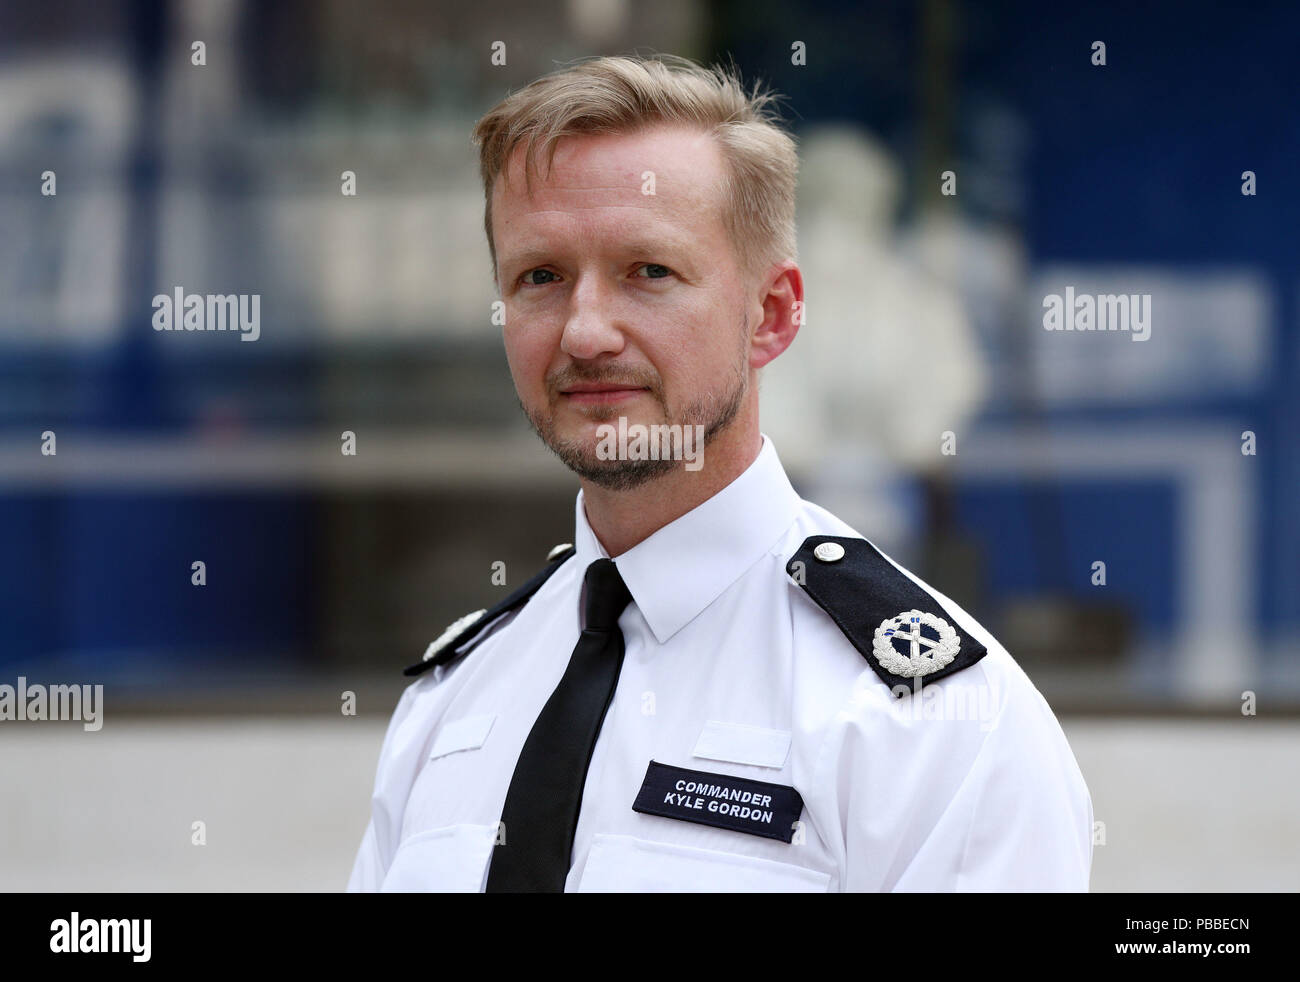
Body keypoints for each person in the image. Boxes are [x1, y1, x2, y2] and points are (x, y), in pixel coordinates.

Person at [347, 54, 1092, 892]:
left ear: (770, 316)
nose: (585, 332)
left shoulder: (933, 723)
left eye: (649, 272)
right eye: (541, 277)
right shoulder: (454, 695)